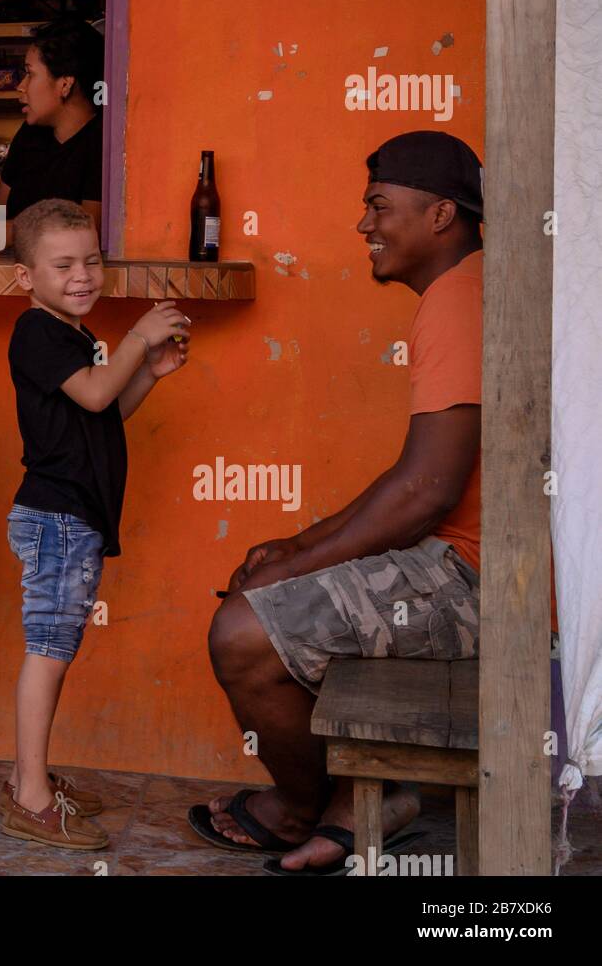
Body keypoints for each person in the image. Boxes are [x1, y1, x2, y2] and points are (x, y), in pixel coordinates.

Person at [191, 130, 483, 875]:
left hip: (479, 584)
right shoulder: (466, 289)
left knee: (242, 632)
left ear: (442, 215)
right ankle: (362, 800)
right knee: (269, 580)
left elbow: (425, 492)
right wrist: (296, 548)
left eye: (379, 207)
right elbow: (415, 478)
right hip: (455, 559)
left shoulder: (458, 302)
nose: (364, 225)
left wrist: (289, 569)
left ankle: (303, 808)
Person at [1, 199, 190, 849]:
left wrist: (151, 376)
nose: (83, 275)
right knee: (48, 656)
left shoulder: (73, 337)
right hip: (57, 520)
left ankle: (33, 778)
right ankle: (29, 798)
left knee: (54, 653)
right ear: (26, 277)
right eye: (62, 265)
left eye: (92, 260)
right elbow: (93, 393)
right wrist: (138, 338)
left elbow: (101, 413)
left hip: (69, 519)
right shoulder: (36, 333)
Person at [0, 16, 104, 242]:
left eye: (30, 74)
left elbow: (88, 234)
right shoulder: (29, 134)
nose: (21, 86)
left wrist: (13, 231)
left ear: (65, 84)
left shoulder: (100, 144)